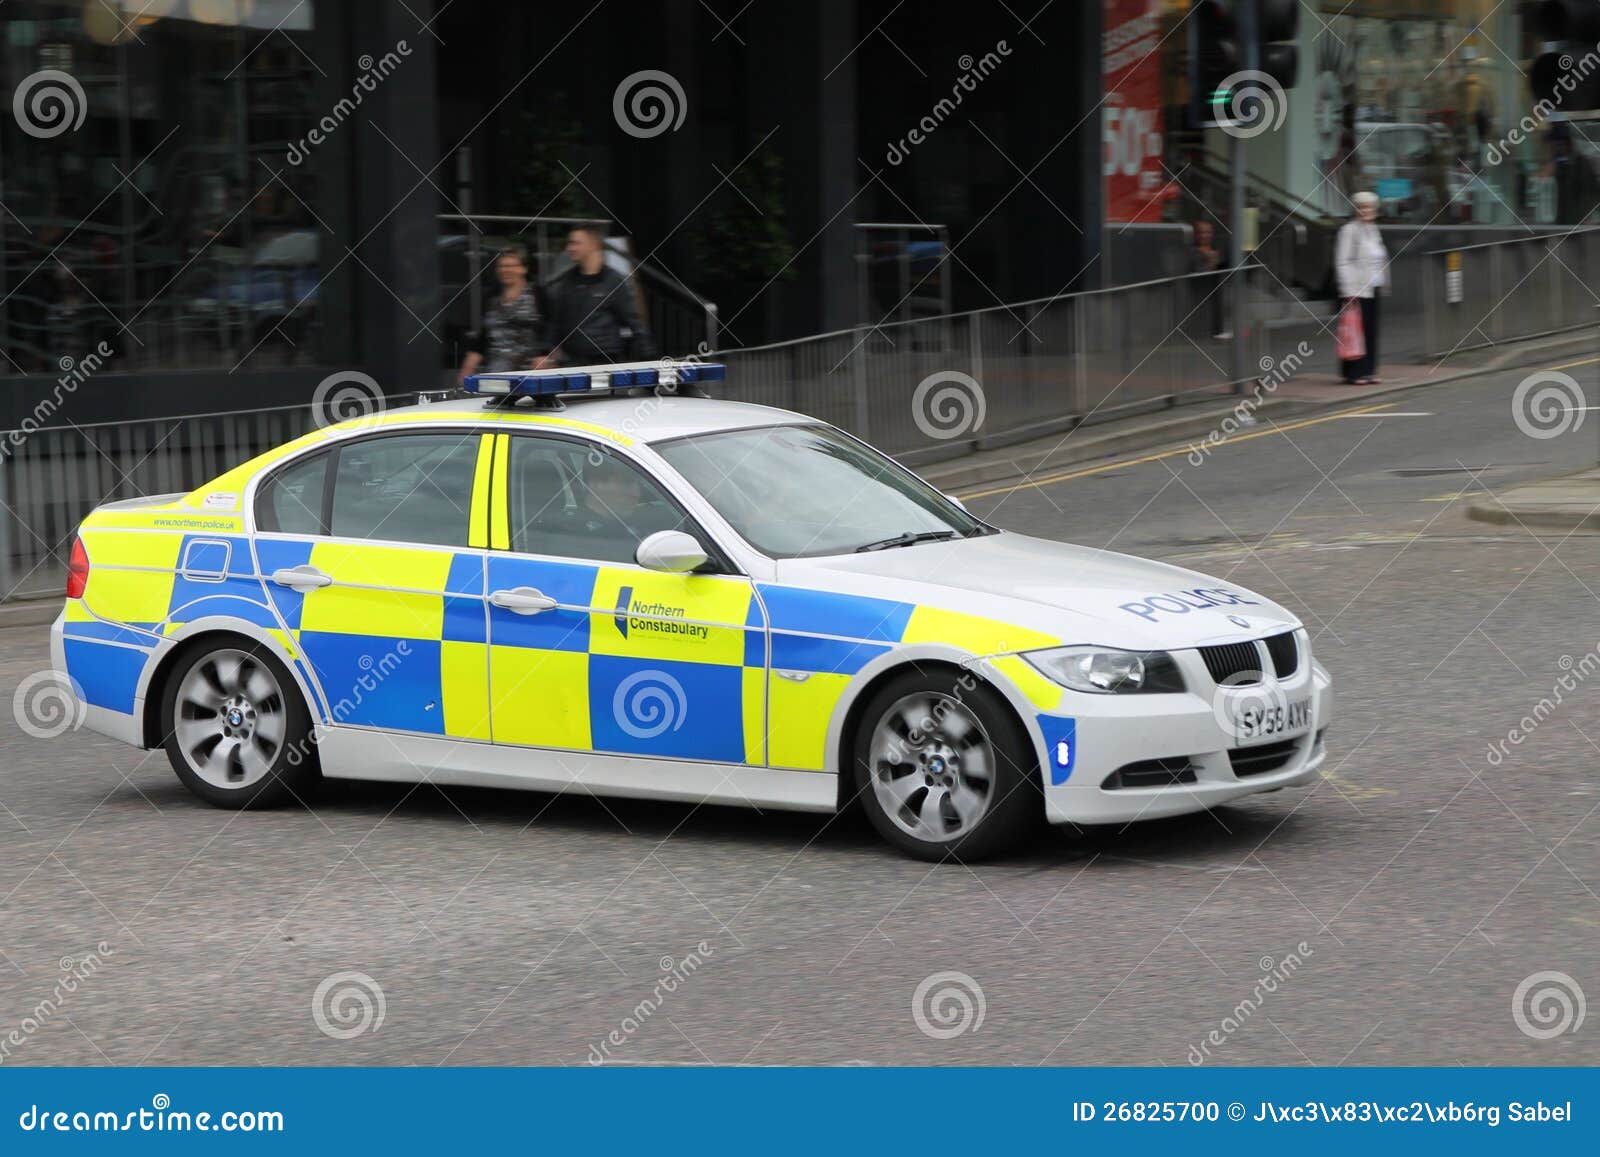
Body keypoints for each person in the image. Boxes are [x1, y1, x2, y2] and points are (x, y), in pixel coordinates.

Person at [535, 225, 653, 367]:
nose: (569, 248)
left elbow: (634, 321)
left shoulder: (613, 281)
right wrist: (544, 352)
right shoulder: (566, 282)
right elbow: (555, 322)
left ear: (593, 245)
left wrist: (649, 357)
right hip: (572, 362)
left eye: (575, 243)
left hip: (604, 361)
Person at [458, 246, 544, 384]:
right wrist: (467, 368)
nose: (506, 270)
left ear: (524, 268)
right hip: (498, 375)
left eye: (511, 265)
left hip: (531, 375)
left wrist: (544, 356)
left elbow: (551, 329)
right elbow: (483, 337)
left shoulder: (538, 295)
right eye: (502, 266)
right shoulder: (491, 298)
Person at [1334, 191, 1388, 384]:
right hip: (1356, 289)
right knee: (1354, 331)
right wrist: (1348, 290)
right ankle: (1353, 374)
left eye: (1370, 207)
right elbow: (1342, 261)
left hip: (1373, 287)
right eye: (1362, 207)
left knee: (1370, 331)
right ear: (1356, 209)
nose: (1367, 210)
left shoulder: (1373, 229)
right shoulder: (1349, 230)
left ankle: (1369, 371)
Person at [1188, 219, 1228, 339]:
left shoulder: (1215, 248)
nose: (1205, 236)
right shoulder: (1192, 251)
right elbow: (1196, 270)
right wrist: (1210, 262)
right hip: (1198, 293)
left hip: (1215, 289)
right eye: (1201, 233)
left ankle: (1217, 331)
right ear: (1195, 234)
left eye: (1208, 232)